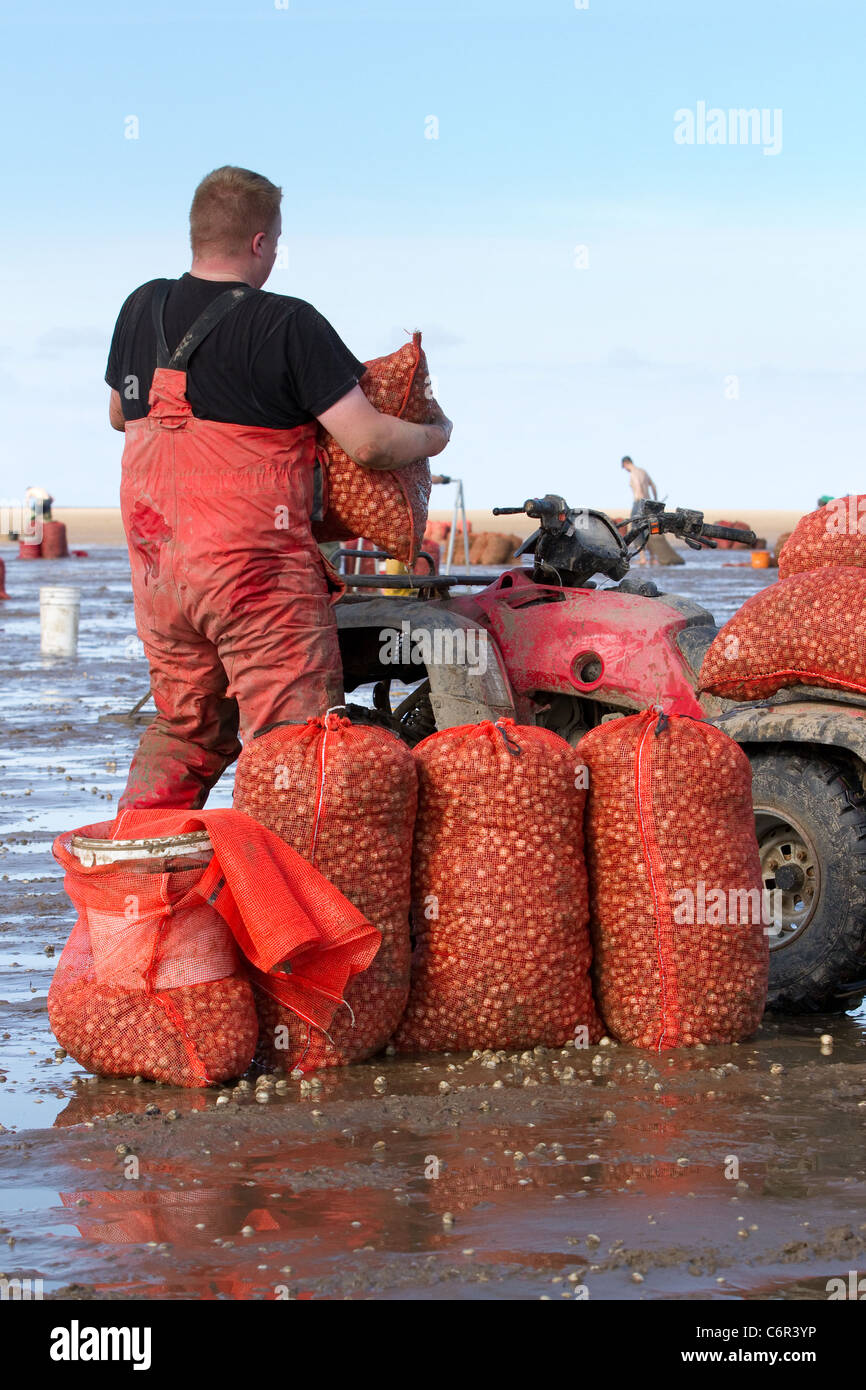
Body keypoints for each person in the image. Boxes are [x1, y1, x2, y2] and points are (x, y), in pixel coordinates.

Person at [106, 165, 451, 810]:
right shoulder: (287, 324)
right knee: (292, 750)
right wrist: (435, 435)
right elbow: (368, 442)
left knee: (187, 728)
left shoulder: (139, 308)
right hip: (255, 581)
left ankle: (136, 891)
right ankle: (280, 906)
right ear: (262, 242)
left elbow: (121, 415)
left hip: (160, 578)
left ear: (197, 233)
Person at [621, 455, 658, 565]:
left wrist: (641, 505)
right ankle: (652, 557)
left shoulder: (633, 474)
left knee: (636, 529)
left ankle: (643, 558)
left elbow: (638, 487)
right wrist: (655, 502)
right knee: (648, 529)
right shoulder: (643, 471)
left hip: (639, 503)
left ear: (625, 464)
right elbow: (654, 486)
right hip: (650, 503)